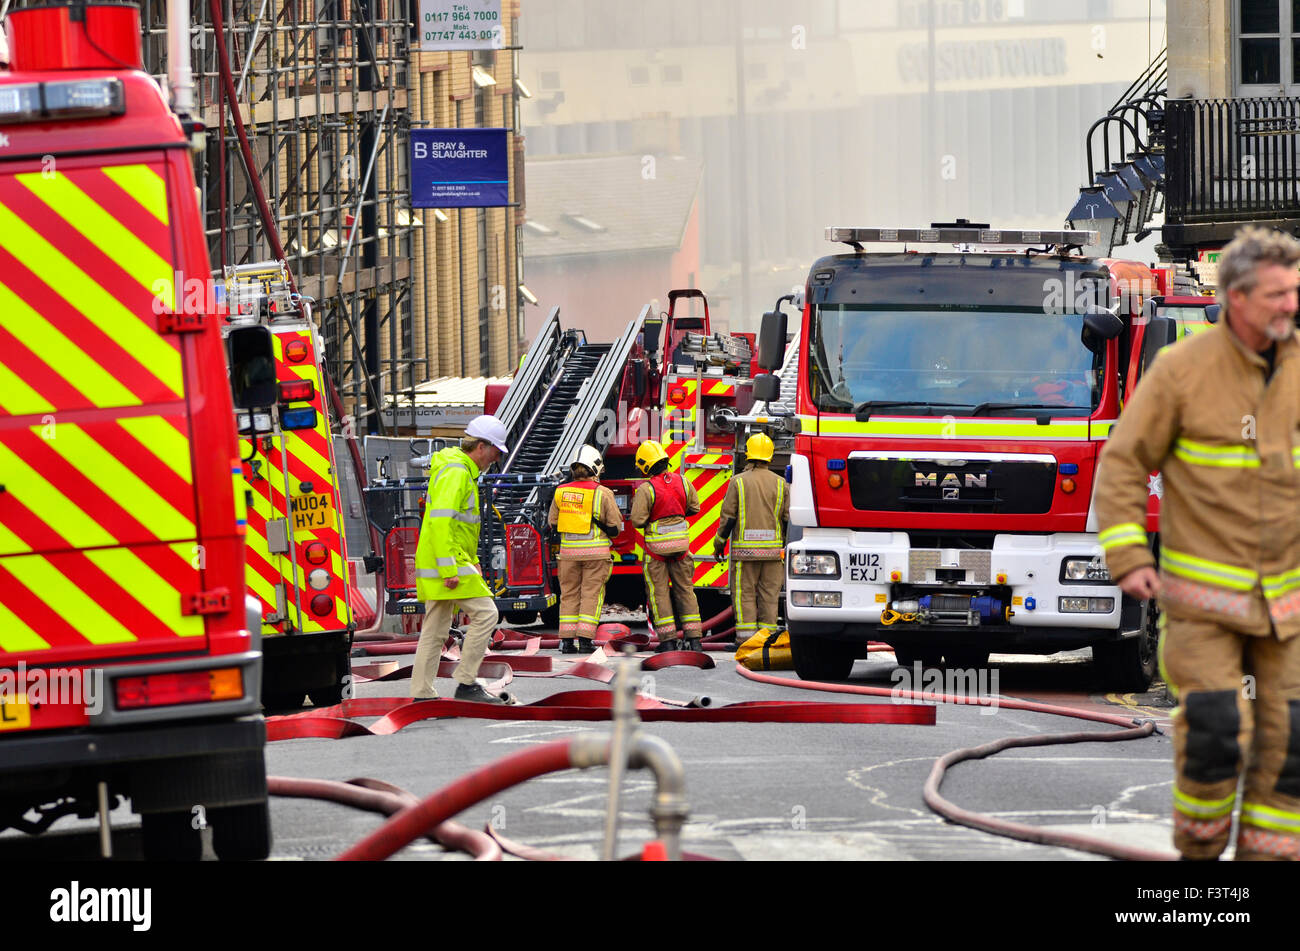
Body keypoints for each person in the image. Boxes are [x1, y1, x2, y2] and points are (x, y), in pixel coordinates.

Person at [1095, 225, 1300, 861]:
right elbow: (1123, 463)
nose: (1291, 305)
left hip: (1290, 608)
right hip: (1204, 606)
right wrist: (1128, 556)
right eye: (1276, 295)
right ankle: (1202, 869)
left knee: (1290, 744)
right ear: (1237, 298)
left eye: (1295, 292)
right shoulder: (1183, 372)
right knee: (1214, 733)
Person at [410, 415, 510, 704]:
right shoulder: (457, 472)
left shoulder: (457, 469)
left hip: (440, 559)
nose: (495, 458)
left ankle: (422, 694)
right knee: (487, 613)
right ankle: (466, 683)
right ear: (481, 446)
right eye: (495, 452)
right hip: (445, 561)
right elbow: (441, 523)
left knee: (435, 630)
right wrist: (450, 568)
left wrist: (472, 558)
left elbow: (456, 525)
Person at [714, 432, 789, 648]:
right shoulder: (781, 483)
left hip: (745, 555)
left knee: (744, 595)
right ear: (770, 456)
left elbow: (728, 519)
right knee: (770, 596)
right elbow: (787, 519)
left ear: (748, 455)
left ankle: (745, 641)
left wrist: (719, 544)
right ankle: (767, 640)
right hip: (774, 554)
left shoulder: (737, 482)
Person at [547, 444, 623, 654]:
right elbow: (615, 527)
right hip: (596, 554)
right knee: (591, 594)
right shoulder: (603, 493)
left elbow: (552, 522)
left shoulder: (560, 491)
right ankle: (586, 641)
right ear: (595, 468)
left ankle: (567, 642)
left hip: (568, 555)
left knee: (569, 595)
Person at [629, 440, 701, 651]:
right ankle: (695, 640)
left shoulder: (646, 488)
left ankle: (668, 642)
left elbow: (638, 521)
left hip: (656, 553)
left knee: (659, 593)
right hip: (682, 549)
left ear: (645, 464)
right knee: (686, 591)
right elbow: (694, 508)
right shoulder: (684, 481)